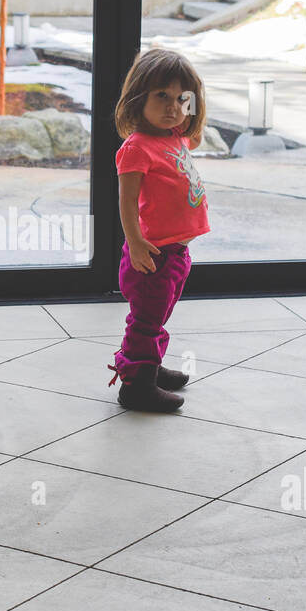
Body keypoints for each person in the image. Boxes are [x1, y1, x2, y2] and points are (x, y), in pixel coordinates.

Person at [106, 48, 210, 412]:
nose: (172, 107)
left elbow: (195, 131)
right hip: (153, 254)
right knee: (146, 321)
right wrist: (134, 242)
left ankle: (148, 367)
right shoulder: (137, 148)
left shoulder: (177, 136)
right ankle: (136, 385)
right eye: (160, 96)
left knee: (158, 316)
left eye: (180, 98)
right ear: (138, 99)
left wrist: (193, 99)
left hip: (177, 252)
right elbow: (127, 202)